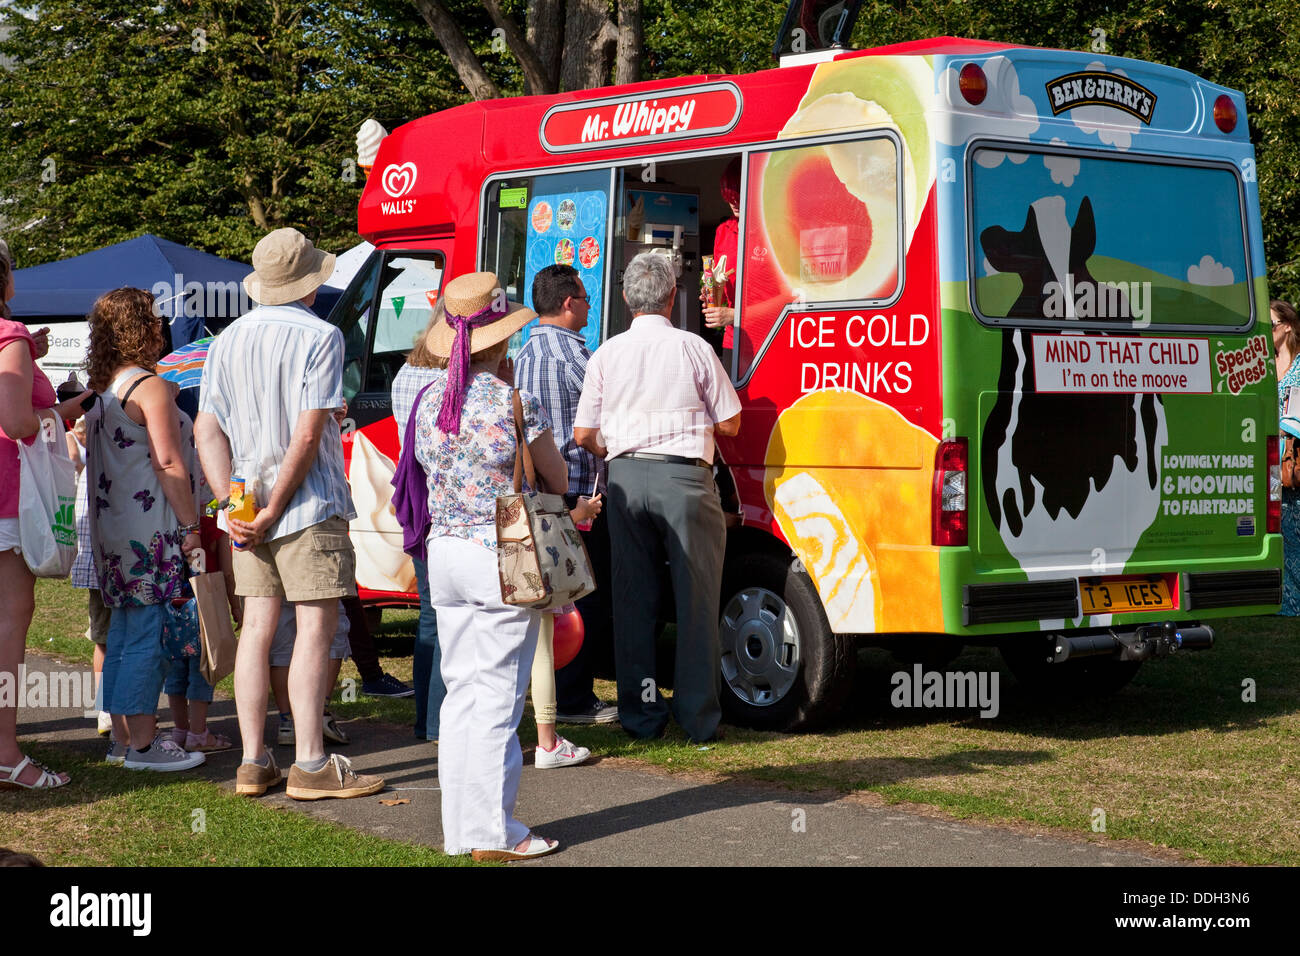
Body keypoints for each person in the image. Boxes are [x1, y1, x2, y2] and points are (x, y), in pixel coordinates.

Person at [195, 227, 383, 800]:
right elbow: (306, 432)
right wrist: (276, 504)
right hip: (306, 506)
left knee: (256, 631)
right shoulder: (322, 336)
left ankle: (254, 762)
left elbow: (207, 428)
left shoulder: (226, 340)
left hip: (248, 508)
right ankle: (309, 763)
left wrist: (232, 501)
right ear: (309, 280)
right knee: (312, 631)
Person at [408, 270, 571, 860]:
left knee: (463, 694)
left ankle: (463, 828)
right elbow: (555, 476)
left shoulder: (427, 400)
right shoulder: (510, 399)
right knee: (499, 697)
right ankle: (493, 833)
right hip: (502, 549)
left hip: (445, 551)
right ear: (499, 340)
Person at [574, 252, 742, 743]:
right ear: (673, 296)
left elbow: (585, 433)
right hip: (685, 480)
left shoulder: (606, 353)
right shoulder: (693, 348)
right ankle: (697, 717)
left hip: (625, 478)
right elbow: (731, 423)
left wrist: (623, 445)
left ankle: (643, 714)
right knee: (697, 603)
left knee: (633, 602)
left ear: (627, 299)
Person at [84, 288, 205, 772]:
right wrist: (191, 524)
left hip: (112, 531)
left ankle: (122, 740)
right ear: (146, 326)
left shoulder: (104, 388)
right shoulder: (148, 387)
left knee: (121, 636)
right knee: (145, 638)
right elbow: (169, 461)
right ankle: (143, 746)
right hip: (149, 532)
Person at [515, 264, 619, 736]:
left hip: (534, 493)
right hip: (578, 488)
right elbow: (605, 416)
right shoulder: (577, 358)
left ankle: (552, 694)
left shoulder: (520, 353)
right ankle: (574, 697)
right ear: (567, 302)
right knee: (583, 597)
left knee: (551, 600)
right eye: (583, 296)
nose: (589, 304)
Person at [0, 246, 90, 789]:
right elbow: (14, 421)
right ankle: (6, 753)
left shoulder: (15, 341)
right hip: (8, 497)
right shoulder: (8, 333)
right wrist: (62, 411)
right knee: (10, 624)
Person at [391, 302, 449, 743]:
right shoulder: (451, 381)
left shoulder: (404, 374)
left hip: (415, 502)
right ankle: (437, 723)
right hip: (445, 504)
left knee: (429, 616)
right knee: (446, 618)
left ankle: (424, 720)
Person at [1275, 299, 1300, 615]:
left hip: (1290, 456)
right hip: (1267, 456)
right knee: (1275, 523)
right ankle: (1283, 598)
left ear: (1288, 326)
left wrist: (1283, 425)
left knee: (1293, 525)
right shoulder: (1262, 365)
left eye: (1271, 326)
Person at [701, 157, 741, 345]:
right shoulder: (724, 231)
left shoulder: (772, 230)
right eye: (730, 198)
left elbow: (786, 298)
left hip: (768, 334)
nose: (734, 204)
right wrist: (710, 290)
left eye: (739, 197)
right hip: (733, 338)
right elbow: (722, 288)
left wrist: (737, 315)